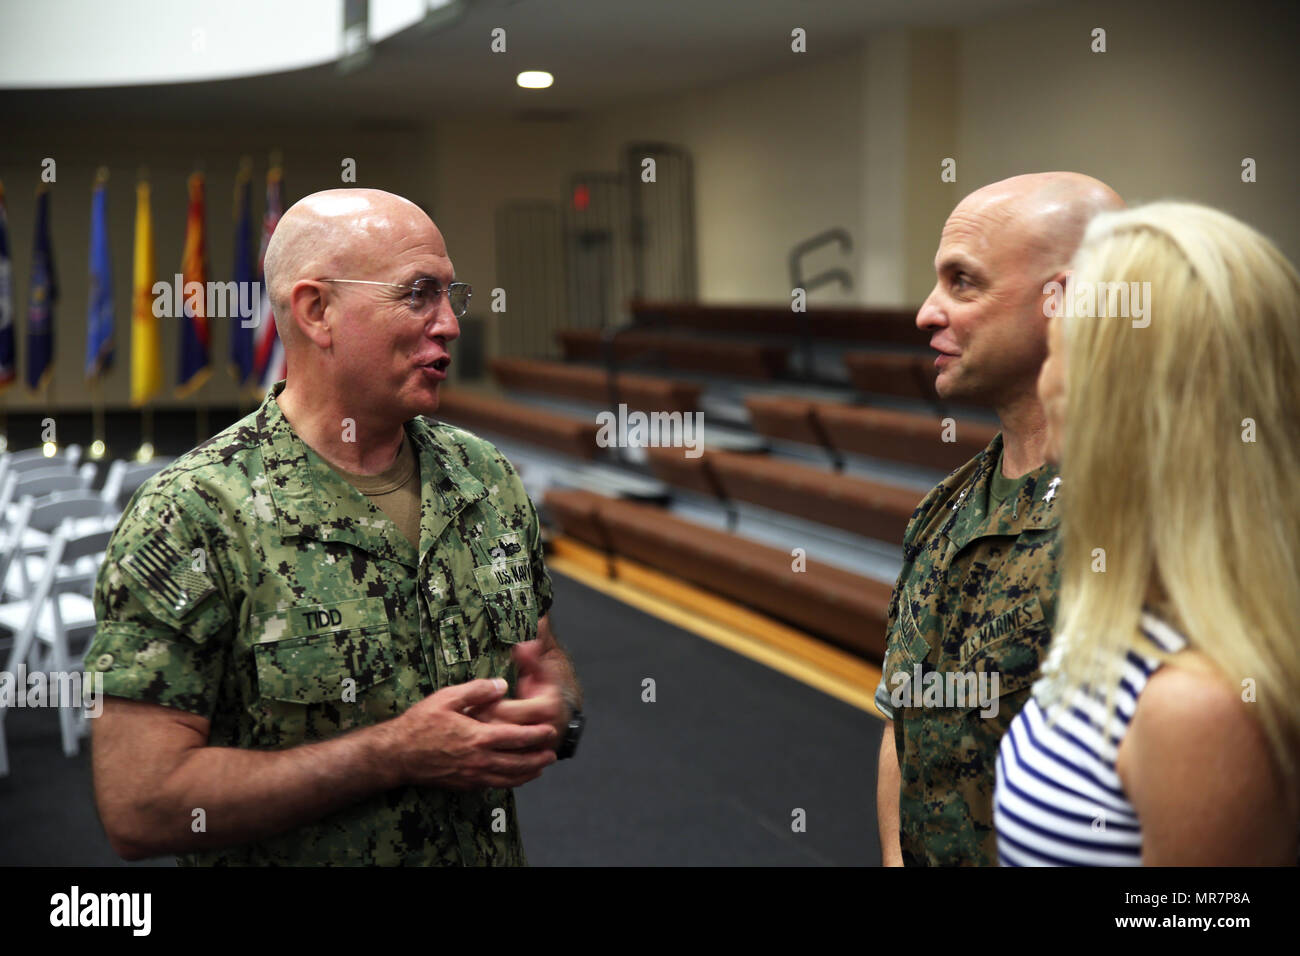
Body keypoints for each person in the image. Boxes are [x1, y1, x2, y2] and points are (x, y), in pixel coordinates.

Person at [85, 188, 584, 866]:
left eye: (451, 296)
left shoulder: (483, 476)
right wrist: (390, 756)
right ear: (317, 312)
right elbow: (141, 805)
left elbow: (543, 654)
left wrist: (557, 712)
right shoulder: (193, 515)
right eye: (418, 294)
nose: (451, 325)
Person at [994, 201, 1300, 865]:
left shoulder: (1201, 710)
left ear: (1109, 409)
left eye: (1052, 354)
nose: (1043, 382)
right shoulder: (1115, 608)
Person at [875, 172, 1125, 866]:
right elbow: (904, 720)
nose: (927, 312)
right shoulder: (946, 505)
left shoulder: (1142, 520)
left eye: (963, 282)